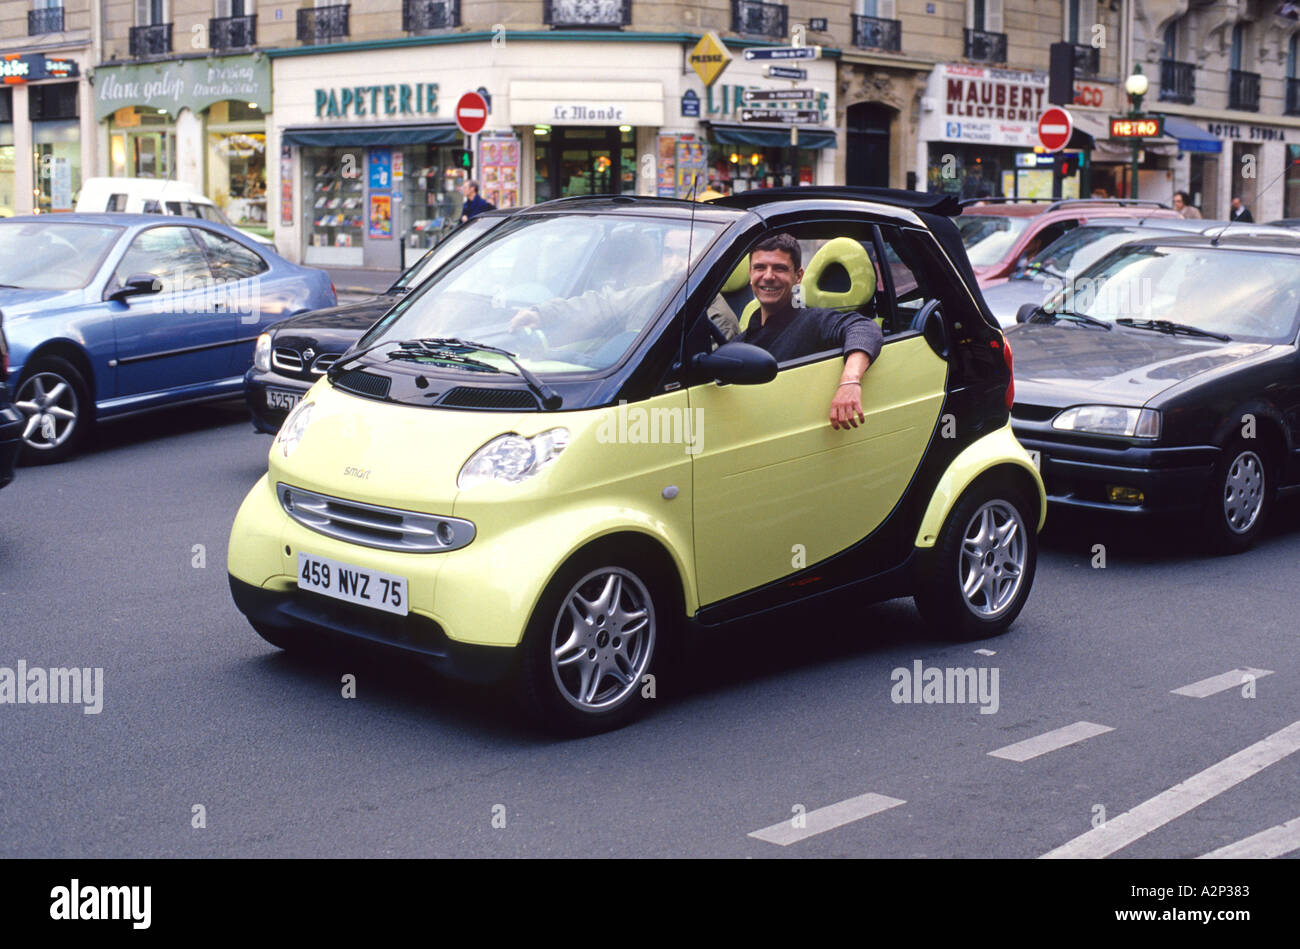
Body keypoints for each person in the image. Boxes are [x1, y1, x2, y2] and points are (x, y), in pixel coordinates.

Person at [735, 233, 882, 430]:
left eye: (780, 268)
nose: (768, 276)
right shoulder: (740, 341)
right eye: (760, 267)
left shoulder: (813, 321)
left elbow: (864, 328)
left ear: (798, 276)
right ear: (750, 274)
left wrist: (849, 382)